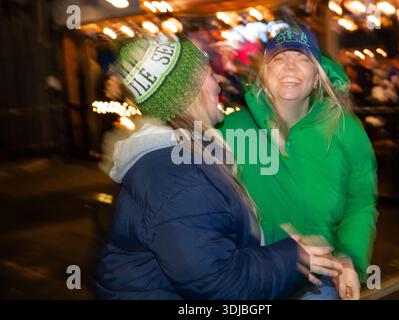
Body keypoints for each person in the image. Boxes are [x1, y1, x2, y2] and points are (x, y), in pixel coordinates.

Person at [95, 34, 342, 299]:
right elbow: (220, 284)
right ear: (191, 92)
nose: (219, 81)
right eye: (211, 75)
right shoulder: (178, 176)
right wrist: (293, 258)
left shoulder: (192, 151)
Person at [218, 26, 378, 300]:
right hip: (250, 276)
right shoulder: (229, 131)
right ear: (264, 75)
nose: (290, 66)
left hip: (319, 278)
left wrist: (349, 257)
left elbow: (360, 202)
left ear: (318, 76)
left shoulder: (346, 131)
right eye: (279, 59)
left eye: (303, 59)